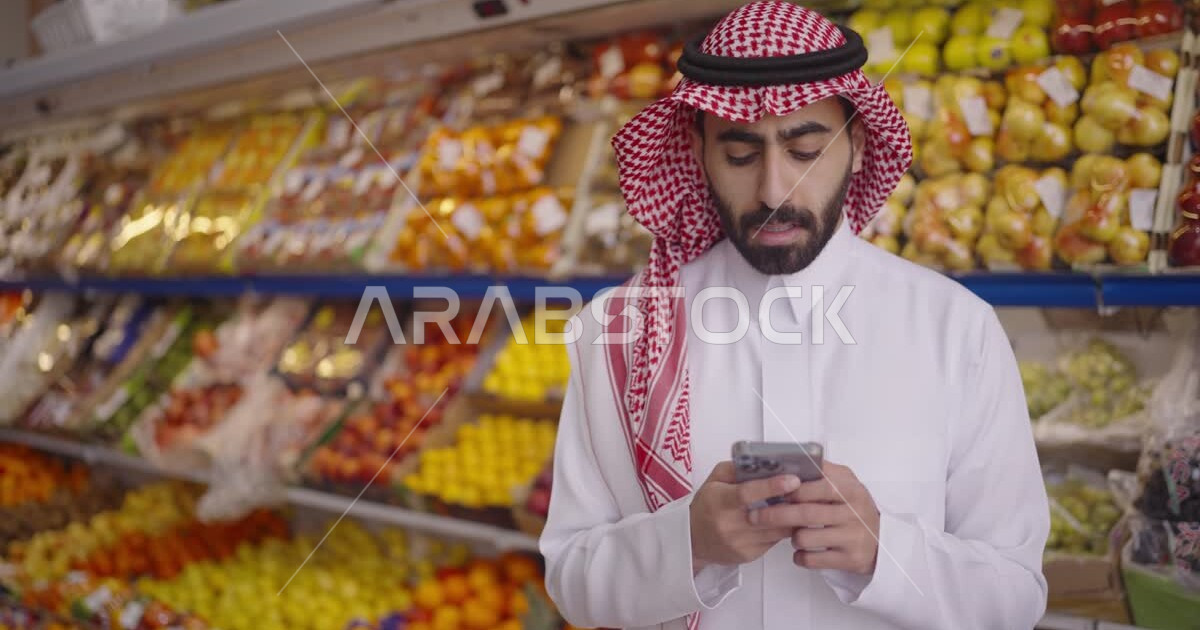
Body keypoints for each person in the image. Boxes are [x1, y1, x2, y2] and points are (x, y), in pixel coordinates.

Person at [539, 2, 1050, 630]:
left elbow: (1017, 595)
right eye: (741, 154)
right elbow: (571, 581)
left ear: (858, 145)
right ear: (698, 151)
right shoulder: (619, 332)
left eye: (806, 150)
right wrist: (688, 543)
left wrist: (882, 553)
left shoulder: (955, 329)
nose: (773, 190)